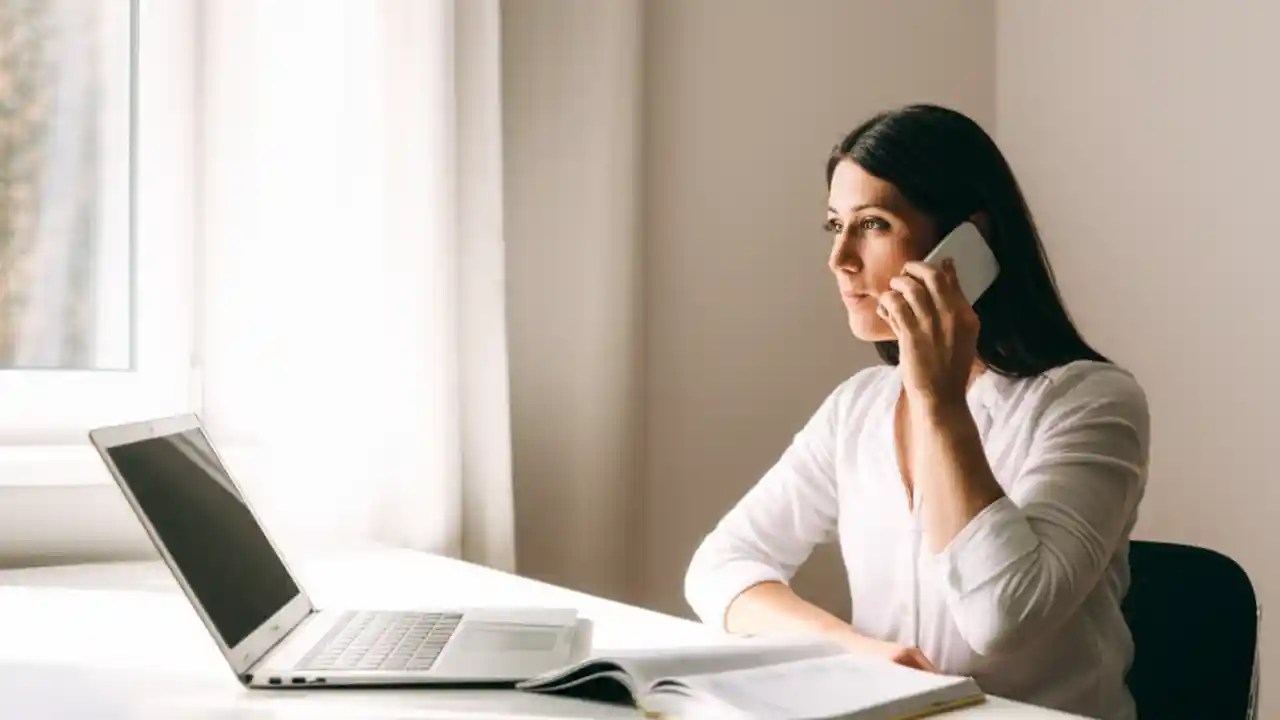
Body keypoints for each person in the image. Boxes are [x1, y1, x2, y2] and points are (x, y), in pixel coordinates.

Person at [683, 104, 1148, 720]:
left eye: (872, 224)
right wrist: (853, 649)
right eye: (834, 225)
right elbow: (719, 567)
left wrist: (938, 400)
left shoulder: (1092, 402)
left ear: (968, 243)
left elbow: (999, 617)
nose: (840, 258)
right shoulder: (858, 407)